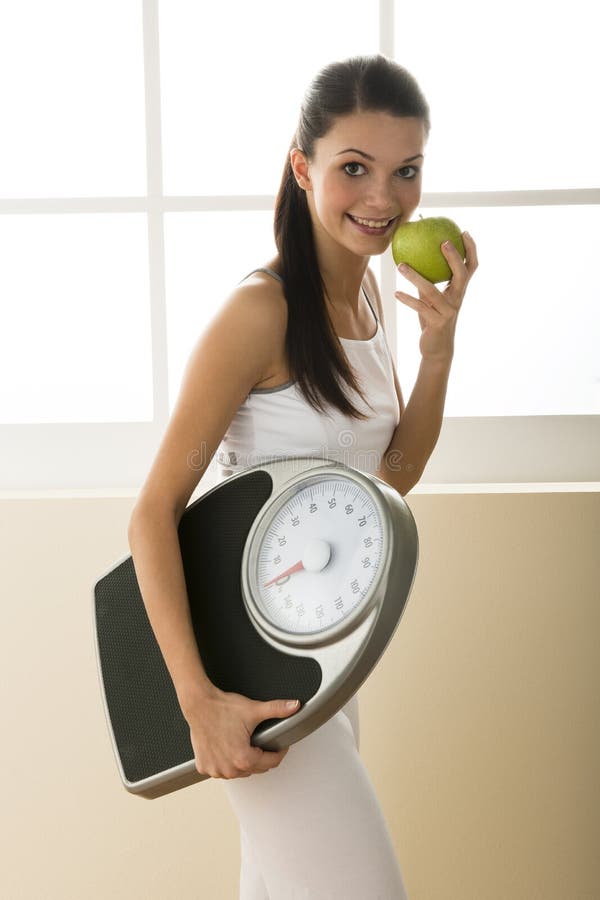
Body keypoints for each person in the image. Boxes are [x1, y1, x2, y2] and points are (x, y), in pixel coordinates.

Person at [128, 54, 477, 899]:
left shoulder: (367, 309)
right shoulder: (262, 311)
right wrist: (197, 703)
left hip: (329, 659)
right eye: (353, 168)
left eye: (406, 171)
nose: (382, 199)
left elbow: (391, 479)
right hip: (256, 671)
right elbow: (150, 514)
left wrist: (437, 350)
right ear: (302, 167)